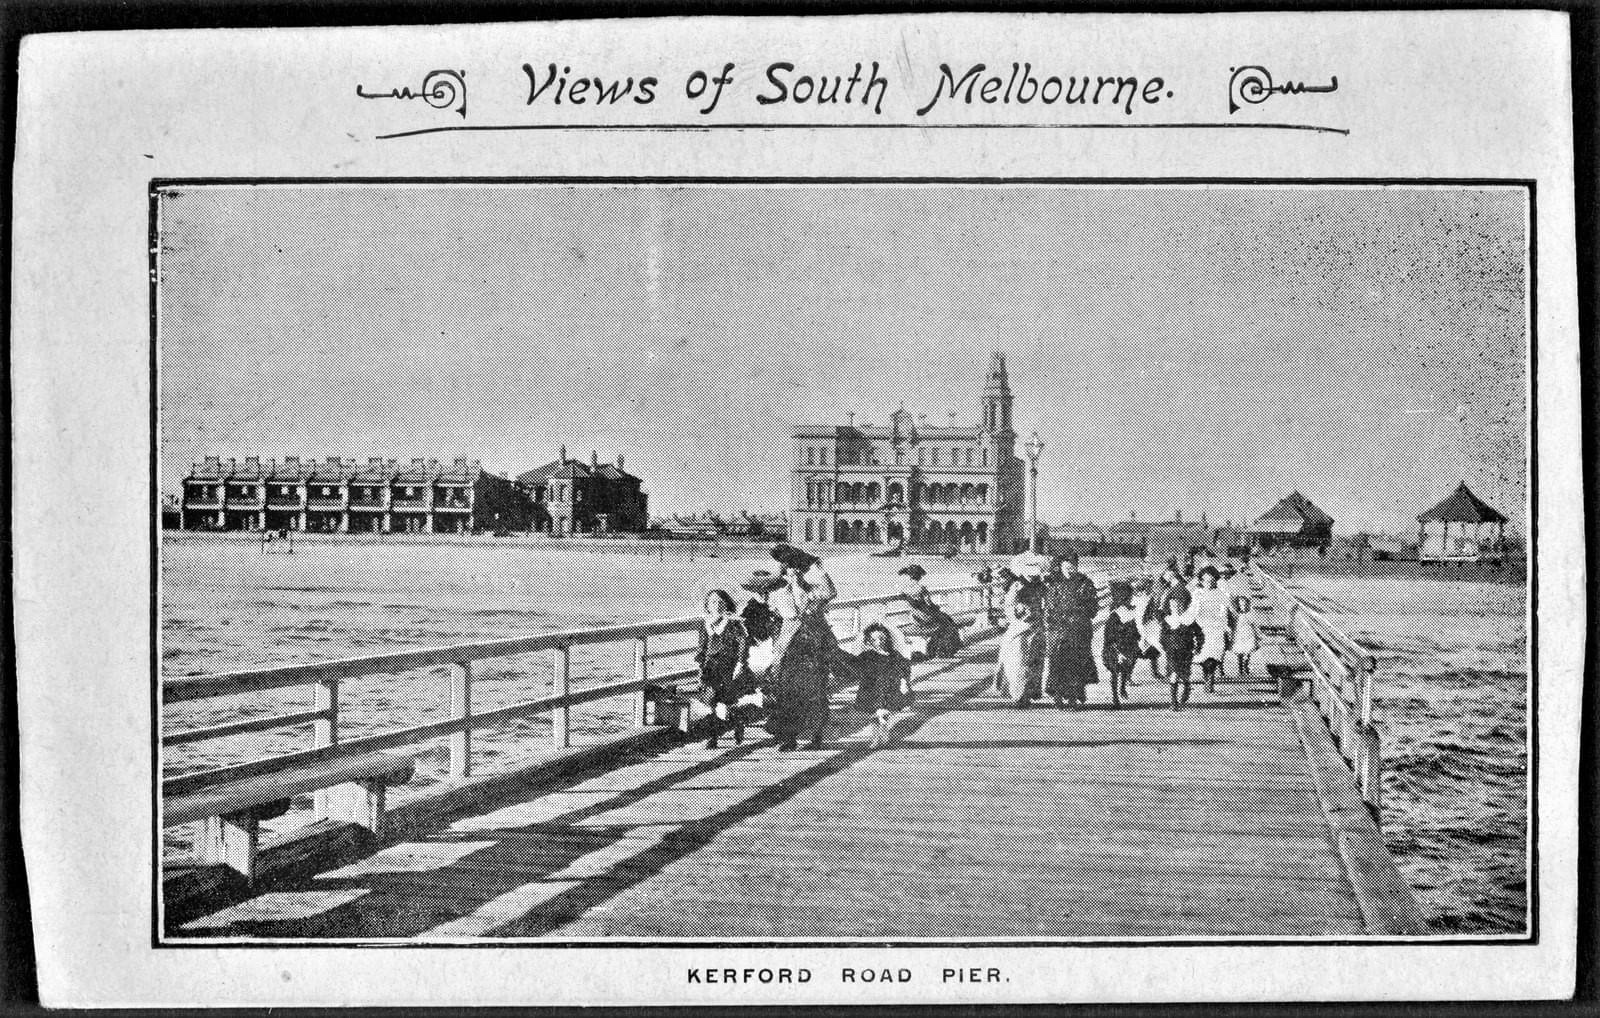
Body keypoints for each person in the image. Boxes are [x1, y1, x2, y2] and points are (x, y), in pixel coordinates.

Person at [765, 544, 837, 751]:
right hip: (789, 647)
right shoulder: (780, 592)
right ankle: (789, 737)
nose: (791, 572)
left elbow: (830, 592)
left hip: (813, 645)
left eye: (794, 568)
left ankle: (816, 734)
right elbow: (785, 613)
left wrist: (814, 568)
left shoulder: (813, 591)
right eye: (787, 568)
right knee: (787, 690)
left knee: (815, 689)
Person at [1042, 550, 1100, 710]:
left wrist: (1080, 610)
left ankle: (1074, 697)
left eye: (1073, 565)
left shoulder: (1085, 583)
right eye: (1066, 565)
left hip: (1079, 630)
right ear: (1060, 566)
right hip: (1059, 630)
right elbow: (1049, 608)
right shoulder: (1054, 584)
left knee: (1076, 664)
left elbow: (1094, 608)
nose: (1070, 568)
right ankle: (1058, 696)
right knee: (1058, 663)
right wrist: (1053, 623)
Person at [694, 590, 752, 749]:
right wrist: (700, 667)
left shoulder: (733, 623)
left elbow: (742, 645)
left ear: (726, 604)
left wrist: (740, 664)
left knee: (726, 703)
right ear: (707, 605)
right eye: (713, 602)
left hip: (729, 667)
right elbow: (702, 648)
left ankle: (737, 722)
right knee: (711, 702)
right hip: (711, 668)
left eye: (720, 602)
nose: (717, 605)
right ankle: (712, 737)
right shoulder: (705, 624)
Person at [993, 555, 1047, 707]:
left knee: (1035, 661)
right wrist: (1017, 611)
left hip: (1036, 627)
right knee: (1018, 661)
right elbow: (1009, 607)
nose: (1032, 577)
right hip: (1020, 628)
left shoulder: (1042, 586)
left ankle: (1029, 693)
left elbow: (1047, 605)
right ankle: (1018, 694)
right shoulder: (1016, 586)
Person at [850, 622, 912, 749]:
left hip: (888, 687)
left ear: (886, 638)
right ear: (869, 641)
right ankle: (875, 738)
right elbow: (854, 665)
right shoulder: (867, 655)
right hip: (872, 688)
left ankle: (883, 733)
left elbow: (903, 668)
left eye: (881, 638)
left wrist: (904, 681)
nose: (878, 642)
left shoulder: (893, 654)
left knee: (884, 713)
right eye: (874, 639)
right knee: (874, 715)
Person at [897, 564, 963, 658]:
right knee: (948, 622)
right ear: (919, 576)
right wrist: (936, 608)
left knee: (944, 622)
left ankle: (939, 648)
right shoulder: (921, 588)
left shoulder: (904, 588)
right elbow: (929, 604)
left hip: (915, 618)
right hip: (927, 617)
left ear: (909, 576)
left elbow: (909, 600)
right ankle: (948, 648)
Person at [1189, 565, 1233, 693]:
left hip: (1216, 629)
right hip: (1201, 628)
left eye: (1211, 580)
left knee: (1213, 657)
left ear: (1215, 580)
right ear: (1201, 581)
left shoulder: (1221, 594)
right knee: (1202, 657)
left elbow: (1224, 612)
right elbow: (1193, 611)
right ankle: (1206, 676)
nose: (1208, 583)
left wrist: (1224, 627)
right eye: (1205, 580)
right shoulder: (1197, 594)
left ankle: (1210, 679)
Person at [1159, 579, 1199, 710]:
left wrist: (1197, 646)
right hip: (1172, 652)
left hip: (1185, 651)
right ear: (1169, 607)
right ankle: (1174, 702)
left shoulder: (1188, 619)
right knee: (1173, 675)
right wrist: (1165, 646)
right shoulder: (1167, 620)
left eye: (1178, 605)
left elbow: (1199, 634)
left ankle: (1187, 687)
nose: (1175, 607)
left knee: (1185, 675)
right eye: (1172, 606)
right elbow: (1162, 637)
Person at [1102, 580, 1142, 706]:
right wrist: (1117, 650)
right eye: (1129, 597)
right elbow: (1109, 637)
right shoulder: (1114, 616)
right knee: (1115, 672)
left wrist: (1137, 638)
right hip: (1115, 648)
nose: (1131, 599)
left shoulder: (1131, 612)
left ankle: (1123, 686)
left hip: (1129, 646)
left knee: (1126, 669)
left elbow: (1135, 630)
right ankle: (1115, 698)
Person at [1231, 594, 1259, 677]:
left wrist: (1257, 635)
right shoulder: (1236, 615)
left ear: (1247, 604)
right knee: (1239, 653)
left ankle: (1246, 667)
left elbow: (1254, 625)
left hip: (1248, 634)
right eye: (1240, 604)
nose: (1242, 605)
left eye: (1244, 604)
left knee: (1247, 652)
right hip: (1238, 634)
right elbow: (1232, 625)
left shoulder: (1250, 614)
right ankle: (1240, 670)